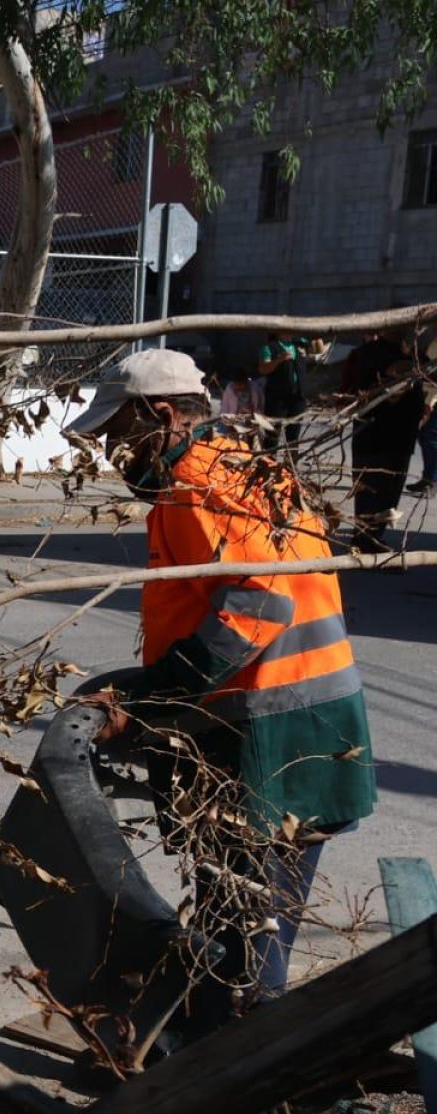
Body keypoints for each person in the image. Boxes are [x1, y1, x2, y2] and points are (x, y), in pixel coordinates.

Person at [71, 349, 375, 1051]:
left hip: (267, 735)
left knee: (244, 935)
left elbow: (254, 603)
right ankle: (212, 1062)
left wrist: (147, 697)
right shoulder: (258, 471)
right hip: (316, 723)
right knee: (246, 918)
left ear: (163, 415)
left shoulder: (191, 487)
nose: (116, 455)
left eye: (120, 435)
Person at [340, 326, 425, 552]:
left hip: (392, 437)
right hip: (381, 437)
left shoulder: (404, 351)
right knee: (377, 490)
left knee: (381, 490)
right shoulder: (377, 354)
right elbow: (390, 378)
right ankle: (368, 540)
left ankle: (370, 538)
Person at [255, 331, 318, 454]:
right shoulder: (269, 348)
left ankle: (290, 468)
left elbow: (316, 348)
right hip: (277, 398)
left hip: (297, 398)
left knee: (293, 438)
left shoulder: (298, 345)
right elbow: (263, 369)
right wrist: (279, 360)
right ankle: (268, 465)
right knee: (272, 435)